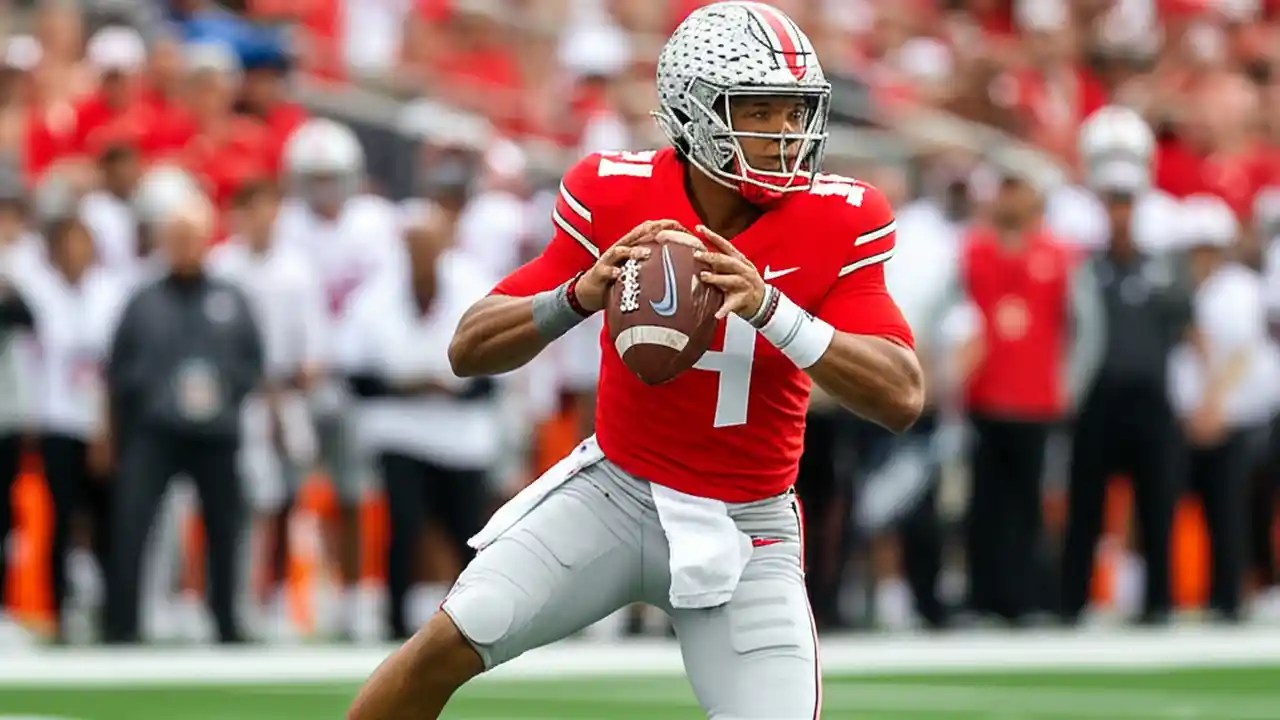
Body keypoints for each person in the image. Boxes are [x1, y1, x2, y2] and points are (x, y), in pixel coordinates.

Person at [348, 4, 923, 718]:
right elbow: (469, 347)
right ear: (694, 111)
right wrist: (576, 295)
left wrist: (773, 310)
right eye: (761, 110)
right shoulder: (615, 191)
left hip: (751, 524)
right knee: (442, 646)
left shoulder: (843, 215)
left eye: (795, 111)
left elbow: (901, 395)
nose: (785, 133)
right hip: (615, 496)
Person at [103, 192, 263, 644]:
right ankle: (122, 624)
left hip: (216, 431)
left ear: (206, 240)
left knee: (224, 526)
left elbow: (253, 359)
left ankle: (227, 620)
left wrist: (226, 390)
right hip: (156, 431)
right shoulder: (142, 301)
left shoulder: (231, 298)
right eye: (176, 238)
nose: (185, 246)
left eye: (192, 237)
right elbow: (118, 367)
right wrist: (147, 398)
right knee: (133, 522)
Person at [945, 174, 1104, 624]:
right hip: (984, 396)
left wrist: (1070, 386)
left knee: (1032, 503)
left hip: (1037, 401)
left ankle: (1029, 596)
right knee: (984, 502)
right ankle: (984, 596)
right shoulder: (973, 251)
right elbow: (948, 312)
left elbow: (1086, 327)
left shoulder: (1060, 255)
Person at [1059, 108, 1191, 626]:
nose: (1117, 210)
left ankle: (1159, 602)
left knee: (1158, 504)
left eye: (1125, 200)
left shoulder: (1161, 259)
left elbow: (1186, 325)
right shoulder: (1083, 259)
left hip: (1151, 398)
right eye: (1110, 200)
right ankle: (1072, 601)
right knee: (1085, 505)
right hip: (1095, 396)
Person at [341, 209, 497, 641]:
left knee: (468, 531)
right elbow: (355, 375)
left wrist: (452, 389)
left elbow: (498, 371)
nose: (422, 253)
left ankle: (475, 617)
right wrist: (409, 387)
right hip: (399, 431)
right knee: (404, 522)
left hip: (461, 435)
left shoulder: (474, 286)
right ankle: (394, 620)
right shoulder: (374, 296)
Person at [275, 117, 401, 641]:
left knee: (355, 491)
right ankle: (283, 596)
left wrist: (344, 353)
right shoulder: (285, 224)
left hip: (353, 375)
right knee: (283, 493)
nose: (325, 189)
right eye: (315, 177)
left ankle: (354, 596)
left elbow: (379, 301)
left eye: (334, 177)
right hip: (296, 378)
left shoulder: (374, 222)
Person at [208, 179, 324, 639]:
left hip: (286, 395)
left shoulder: (296, 268)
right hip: (235, 399)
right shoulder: (222, 266)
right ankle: (234, 596)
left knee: (287, 499)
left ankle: (276, 595)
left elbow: (314, 346)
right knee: (238, 501)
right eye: (250, 208)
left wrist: (293, 384)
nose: (261, 219)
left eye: (267, 207)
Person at [1168, 194, 1279, 623]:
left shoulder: (1238, 290)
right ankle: (1184, 592)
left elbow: (1241, 356)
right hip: (1189, 416)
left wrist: (1214, 406)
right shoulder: (1179, 287)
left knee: (1231, 510)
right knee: (1183, 509)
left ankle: (1231, 596)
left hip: (1234, 418)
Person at [22, 217, 127, 640]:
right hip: (56, 417)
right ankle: (58, 610)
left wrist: (109, 425)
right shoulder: (38, 290)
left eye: (84, 241)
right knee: (61, 516)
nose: (76, 251)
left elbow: (113, 365)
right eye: (68, 242)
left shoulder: (110, 291)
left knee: (107, 518)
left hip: (101, 420)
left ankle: (112, 610)